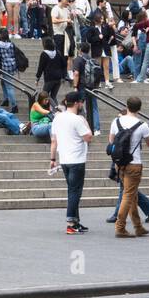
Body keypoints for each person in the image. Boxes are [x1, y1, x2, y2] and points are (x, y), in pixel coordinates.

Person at [111, 96, 149, 238]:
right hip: (134, 164)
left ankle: (138, 226)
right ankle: (120, 227)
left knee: (132, 195)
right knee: (129, 195)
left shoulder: (116, 121)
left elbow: (111, 141)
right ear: (139, 109)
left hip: (119, 163)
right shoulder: (142, 125)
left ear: (127, 106)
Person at [50, 91, 93, 234]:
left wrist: (53, 159)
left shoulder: (57, 118)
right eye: (81, 102)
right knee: (75, 191)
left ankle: (76, 221)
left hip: (64, 159)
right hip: (77, 160)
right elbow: (88, 137)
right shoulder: (77, 119)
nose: (82, 105)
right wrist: (85, 121)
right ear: (76, 103)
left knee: (72, 190)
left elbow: (54, 140)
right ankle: (70, 222)